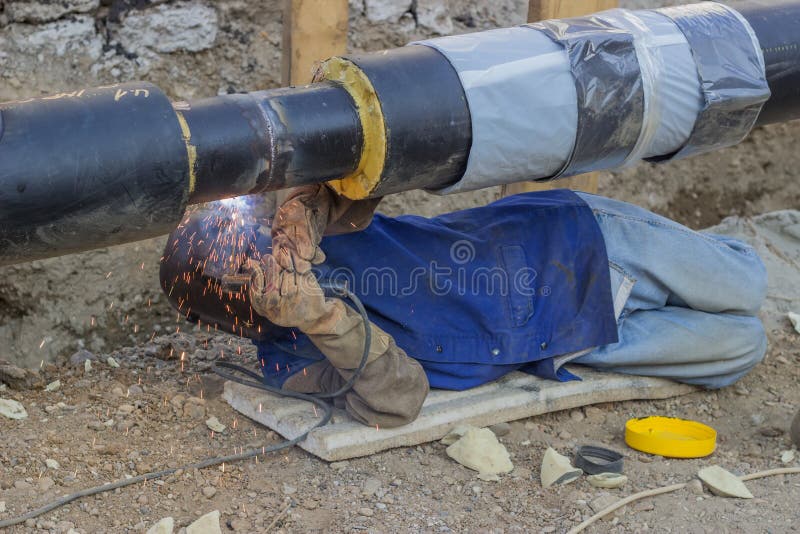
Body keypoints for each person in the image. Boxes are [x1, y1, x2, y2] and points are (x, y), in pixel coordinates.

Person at [160, 185, 767, 428]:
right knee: (744, 346)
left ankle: (712, 242)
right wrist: (320, 317)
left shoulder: (310, 227)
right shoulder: (286, 361)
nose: (270, 255)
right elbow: (398, 401)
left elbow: (354, 172)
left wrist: (303, 210)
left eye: (260, 238)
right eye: (251, 266)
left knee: (750, 284)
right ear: (236, 309)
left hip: (569, 245)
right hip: (564, 340)